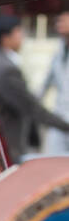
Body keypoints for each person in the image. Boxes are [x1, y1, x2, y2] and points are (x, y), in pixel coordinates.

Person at [0, 15, 69, 165]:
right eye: (18, 32)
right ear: (5, 38)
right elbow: (31, 105)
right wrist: (64, 125)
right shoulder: (5, 68)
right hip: (5, 140)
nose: (22, 37)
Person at [38, 10, 69, 155]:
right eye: (58, 21)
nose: (59, 24)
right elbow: (46, 83)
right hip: (60, 118)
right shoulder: (59, 51)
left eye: (64, 20)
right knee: (54, 161)